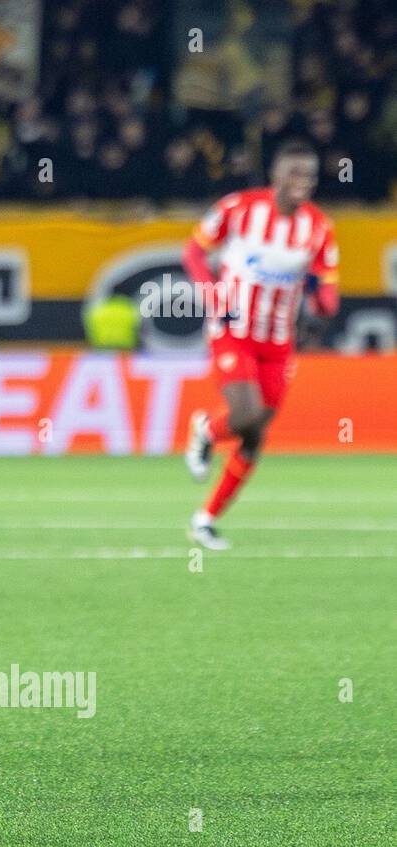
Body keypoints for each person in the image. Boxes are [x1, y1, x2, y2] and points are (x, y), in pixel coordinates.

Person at [181, 140, 339, 549]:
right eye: (295, 174)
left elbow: (328, 301)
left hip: (278, 340)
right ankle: (206, 430)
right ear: (276, 176)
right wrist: (210, 291)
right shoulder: (239, 208)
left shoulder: (319, 229)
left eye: (310, 176)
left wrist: (317, 294)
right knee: (247, 412)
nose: (302, 183)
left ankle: (205, 519)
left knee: (255, 435)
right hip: (232, 327)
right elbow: (194, 251)